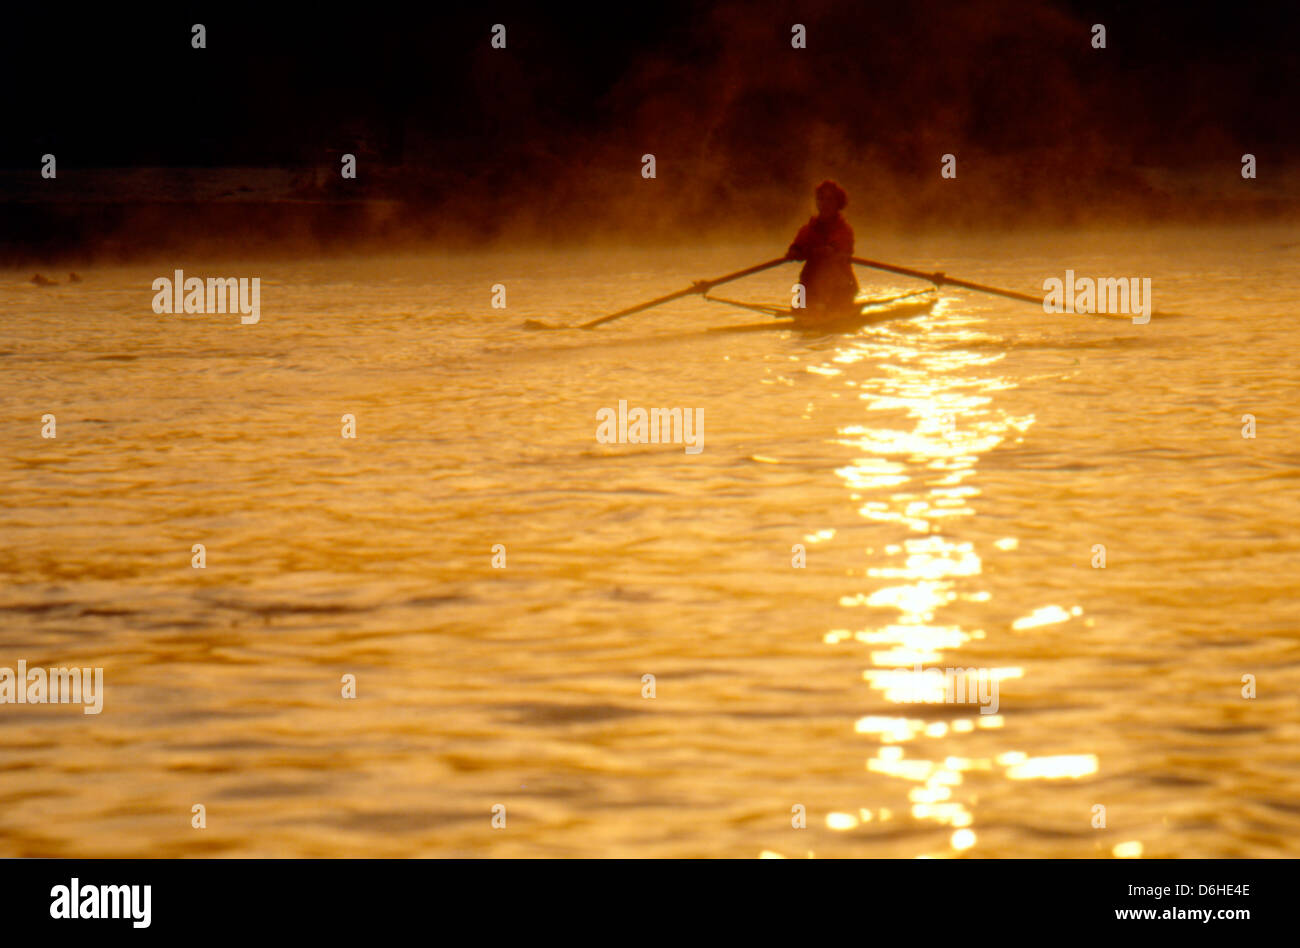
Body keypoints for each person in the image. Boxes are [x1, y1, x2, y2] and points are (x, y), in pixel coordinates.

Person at [785, 180, 859, 322]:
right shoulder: (809, 229)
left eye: (829, 199)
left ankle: (832, 310)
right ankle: (802, 311)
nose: (824, 203)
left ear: (838, 203)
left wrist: (830, 250)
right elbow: (798, 244)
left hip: (839, 286)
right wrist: (794, 251)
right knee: (801, 296)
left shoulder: (844, 229)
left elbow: (840, 245)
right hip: (809, 284)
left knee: (829, 274)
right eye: (821, 199)